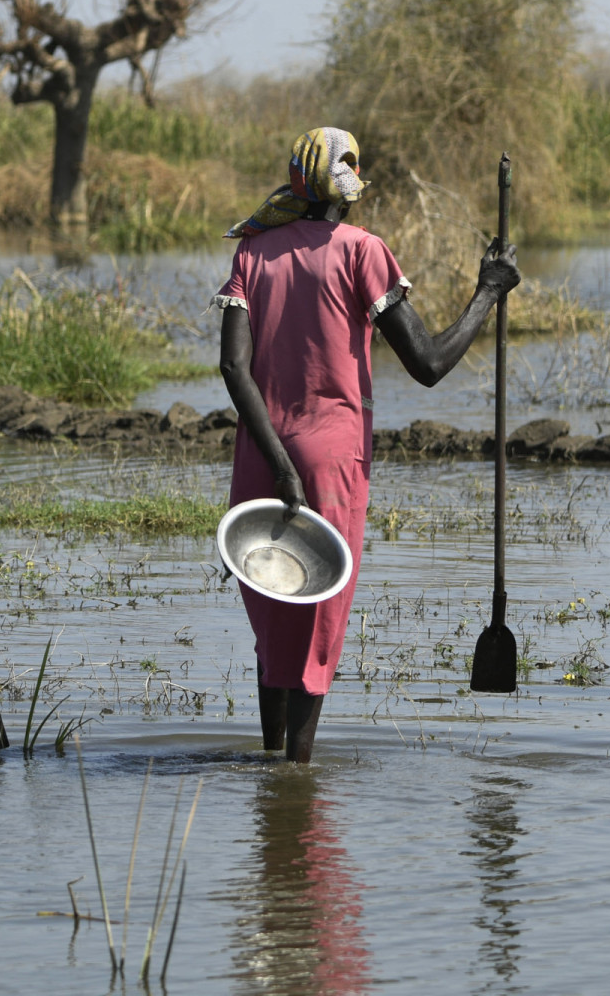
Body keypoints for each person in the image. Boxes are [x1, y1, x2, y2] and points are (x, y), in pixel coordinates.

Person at [216, 127, 520, 763]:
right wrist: (488, 292)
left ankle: (270, 768)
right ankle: (295, 781)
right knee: (317, 631)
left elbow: (234, 370)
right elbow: (430, 363)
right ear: (347, 192)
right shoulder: (361, 251)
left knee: (273, 625)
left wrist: (275, 461)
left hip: (259, 460)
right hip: (329, 462)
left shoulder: (254, 253)